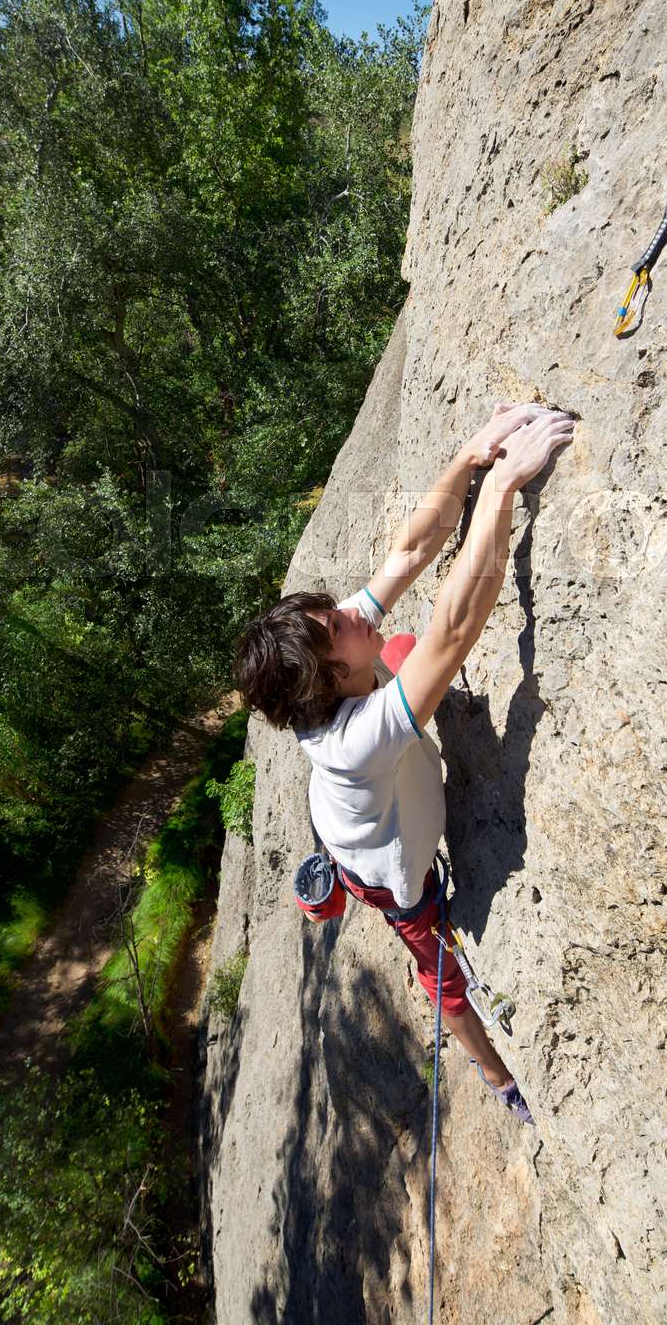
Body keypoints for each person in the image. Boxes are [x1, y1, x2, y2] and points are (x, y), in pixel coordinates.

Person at [234, 400, 576, 1125]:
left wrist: (469, 456)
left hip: (358, 793)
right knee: (440, 974)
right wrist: (507, 486)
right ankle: (495, 1077)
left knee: (399, 649)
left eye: (332, 609)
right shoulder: (353, 738)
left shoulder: (340, 662)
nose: (351, 610)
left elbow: (410, 552)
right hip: (385, 873)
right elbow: (455, 631)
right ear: (328, 678)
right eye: (337, 625)